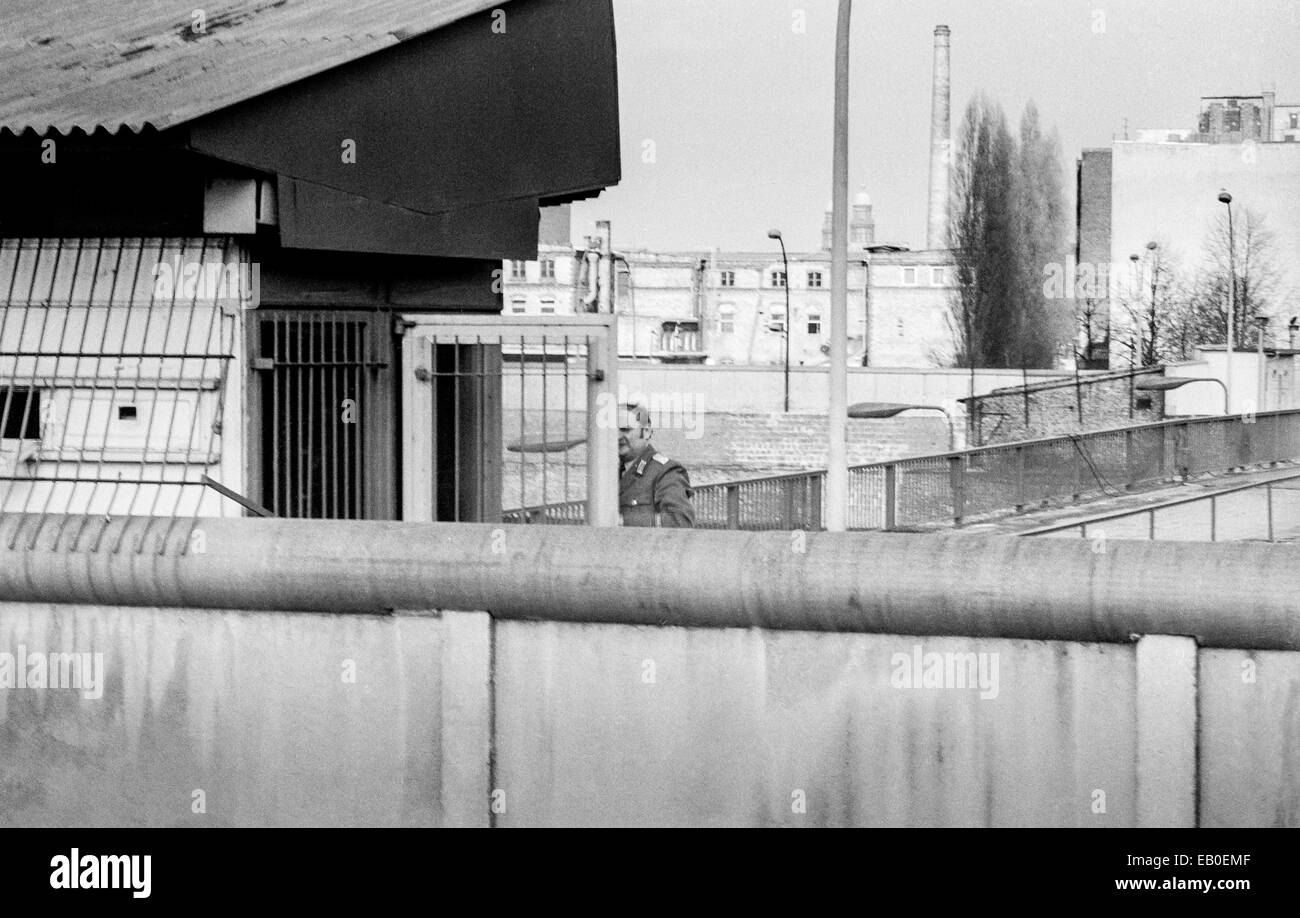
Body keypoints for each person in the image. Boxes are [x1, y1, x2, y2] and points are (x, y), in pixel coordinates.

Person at [617, 403, 694, 527]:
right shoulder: (609, 473)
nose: (616, 436)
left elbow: (679, 521)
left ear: (646, 432)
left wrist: (621, 522)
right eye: (611, 431)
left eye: (625, 430)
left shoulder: (665, 471)